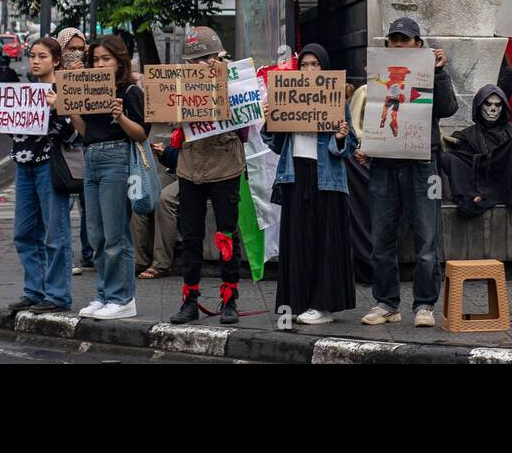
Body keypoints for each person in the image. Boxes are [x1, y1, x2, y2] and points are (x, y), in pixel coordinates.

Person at [357, 17, 457, 328]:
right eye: (395, 39)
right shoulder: (378, 72)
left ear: (418, 44)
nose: (399, 44)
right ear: (388, 43)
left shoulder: (431, 72)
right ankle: (386, 303)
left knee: (426, 239)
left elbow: (448, 108)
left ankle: (425, 304)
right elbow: (368, 118)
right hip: (384, 165)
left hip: (422, 164)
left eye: (405, 39)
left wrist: (439, 72)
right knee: (381, 239)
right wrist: (366, 146)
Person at [263, 44, 358, 325]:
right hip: (295, 175)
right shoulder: (288, 97)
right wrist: (270, 120)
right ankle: (298, 301)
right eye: (304, 65)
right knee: (297, 240)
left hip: (326, 177)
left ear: (324, 68)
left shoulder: (336, 99)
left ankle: (323, 305)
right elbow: (276, 145)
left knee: (324, 240)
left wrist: (340, 137)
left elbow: (352, 144)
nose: (309, 69)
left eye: (315, 64)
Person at [0, 37, 76, 312]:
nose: (35, 61)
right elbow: (19, 133)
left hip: (51, 166)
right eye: (32, 56)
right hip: (24, 166)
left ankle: (58, 295)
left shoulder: (63, 92)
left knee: (55, 233)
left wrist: (56, 109)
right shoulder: (25, 91)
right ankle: (34, 291)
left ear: (56, 61)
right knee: (24, 233)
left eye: (42, 56)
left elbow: (73, 135)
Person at [69, 35, 150, 321]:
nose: (100, 64)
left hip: (117, 159)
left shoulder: (129, 91)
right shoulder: (90, 89)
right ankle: (103, 295)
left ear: (119, 61)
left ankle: (123, 298)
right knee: (97, 235)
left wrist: (121, 116)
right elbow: (85, 131)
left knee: (116, 235)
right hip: (91, 157)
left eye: (106, 58)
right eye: (95, 60)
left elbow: (142, 134)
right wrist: (71, 107)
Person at [168, 27, 245, 326]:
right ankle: (189, 301)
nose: (200, 65)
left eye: (206, 59)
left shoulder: (234, 79)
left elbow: (245, 122)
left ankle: (230, 299)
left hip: (224, 165)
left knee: (226, 234)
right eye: (194, 61)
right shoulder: (180, 82)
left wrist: (220, 80)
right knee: (190, 237)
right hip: (190, 166)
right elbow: (169, 115)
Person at [440, 84, 512, 219]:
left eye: (498, 105)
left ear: (503, 107)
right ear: (480, 106)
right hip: (483, 180)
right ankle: (474, 195)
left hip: (509, 180)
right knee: (447, 157)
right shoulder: (467, 135)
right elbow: (461, 157)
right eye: (488, 104)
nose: (493, 109)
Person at [56, 27, 95, 274]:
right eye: (71, 49)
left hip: (88, 142)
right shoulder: (53, 74)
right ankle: (64, 256)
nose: (76, 53)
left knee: (89, 203)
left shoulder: (91, 72)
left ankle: (90, 254)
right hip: (64, 147)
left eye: (81, 49)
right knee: (64, 203)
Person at [133, 142, 181, 280]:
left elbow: (192, 155)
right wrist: (165, 152)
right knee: (141, 195)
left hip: (199, 172)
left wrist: (167, 152)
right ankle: (138, 260)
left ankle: (162, 263)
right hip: (177, 169)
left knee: (165, 199)